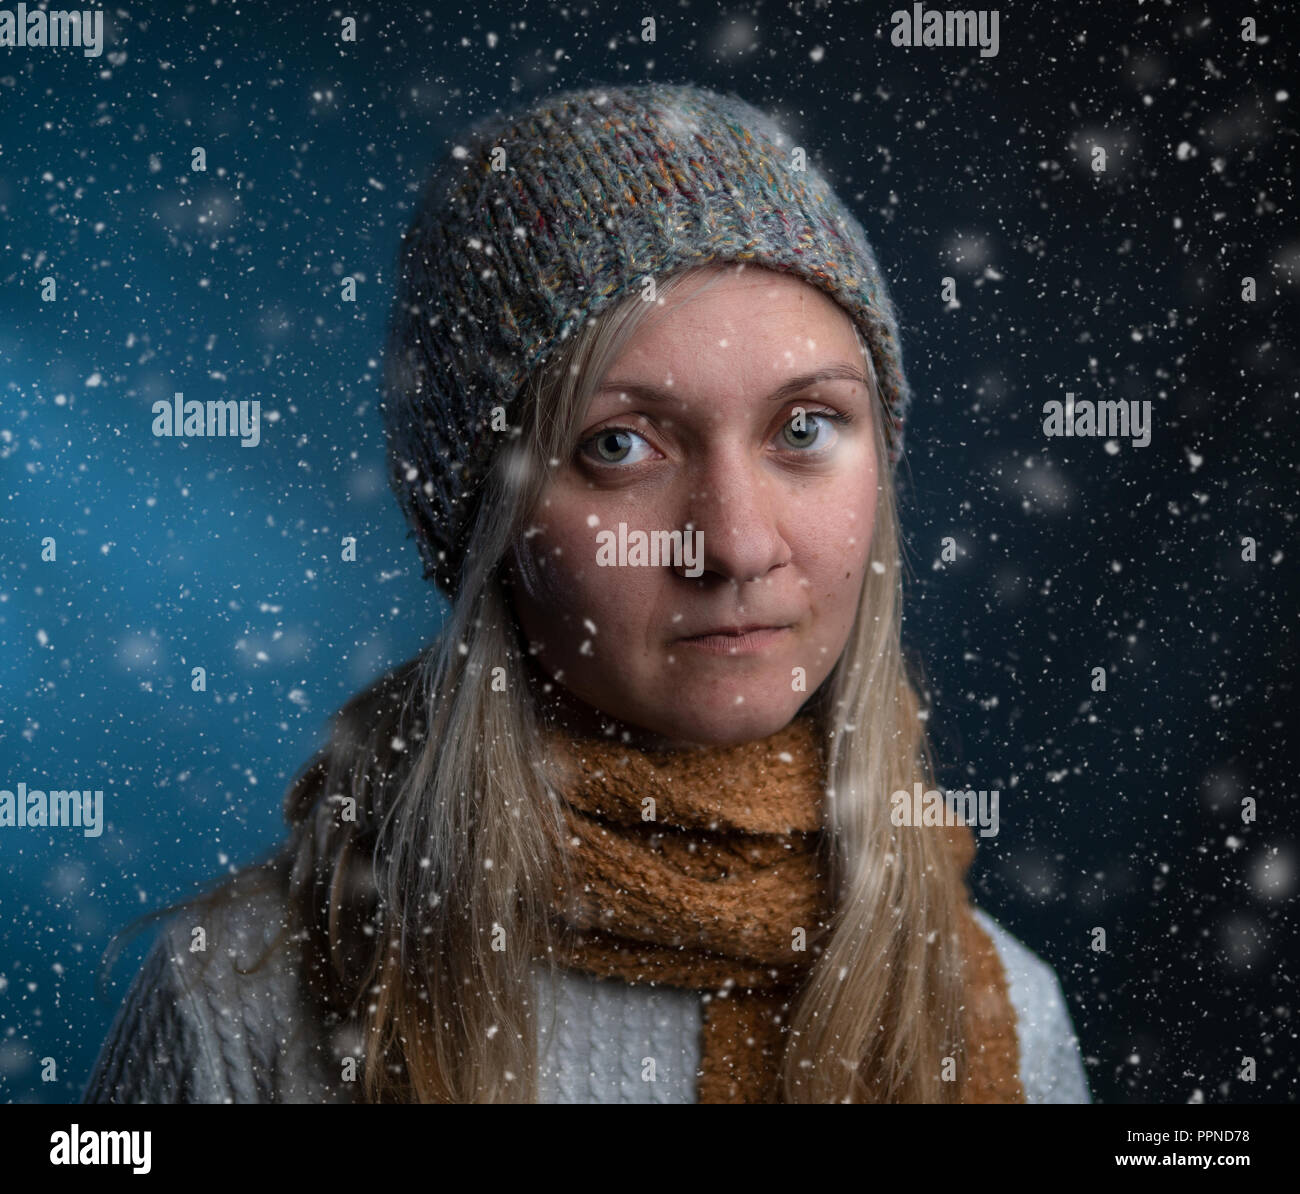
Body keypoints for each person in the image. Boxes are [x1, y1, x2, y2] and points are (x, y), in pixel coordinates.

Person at [83, 81, 1091, 1104]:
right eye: (620, 445)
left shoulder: (1000, 1008)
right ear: (489, 522)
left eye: (803, 429)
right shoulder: (244, 999)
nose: (736, 545)